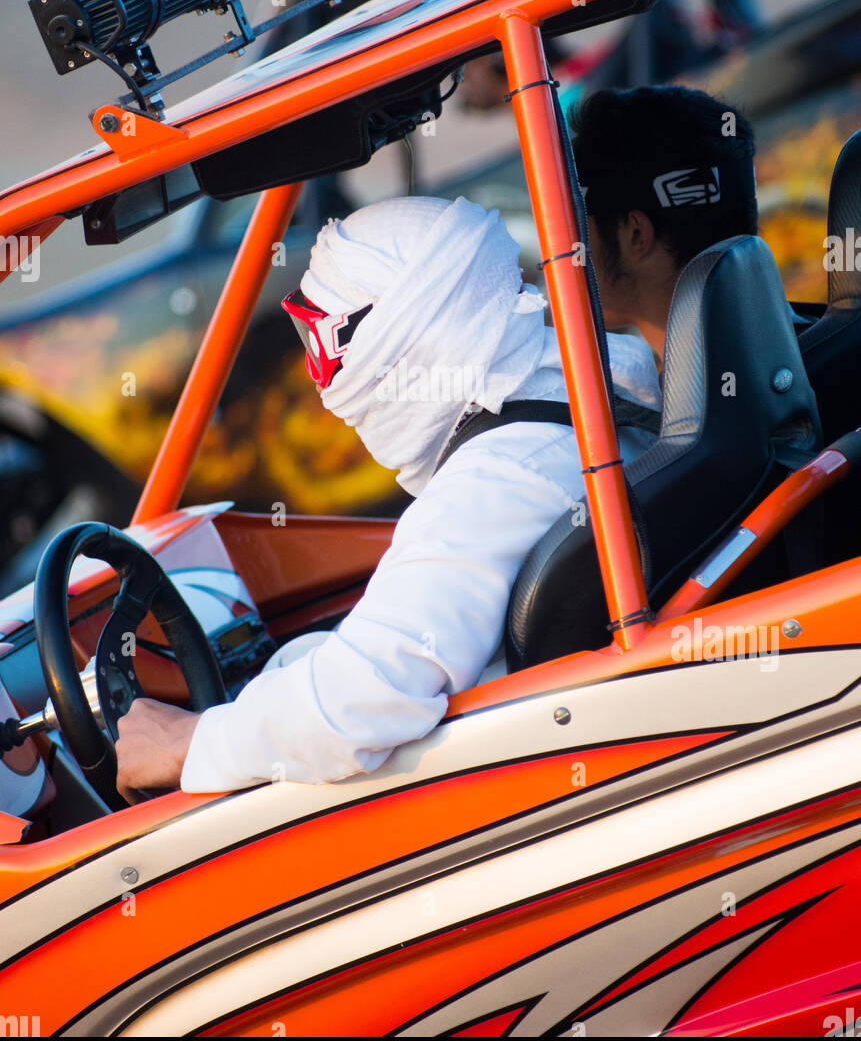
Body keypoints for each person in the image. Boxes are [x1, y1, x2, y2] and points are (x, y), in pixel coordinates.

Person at [115, 194, 662, 799]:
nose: (322, 381)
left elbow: (361, 703)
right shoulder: (604, 380)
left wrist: (187, 742)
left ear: (410, 330)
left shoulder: (496, 481)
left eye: (323, 344)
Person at [570, 85, 758, 368]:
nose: (568, 245)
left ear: (635, 234)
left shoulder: (687, 406)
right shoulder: (822, 343)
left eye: (578, 220)